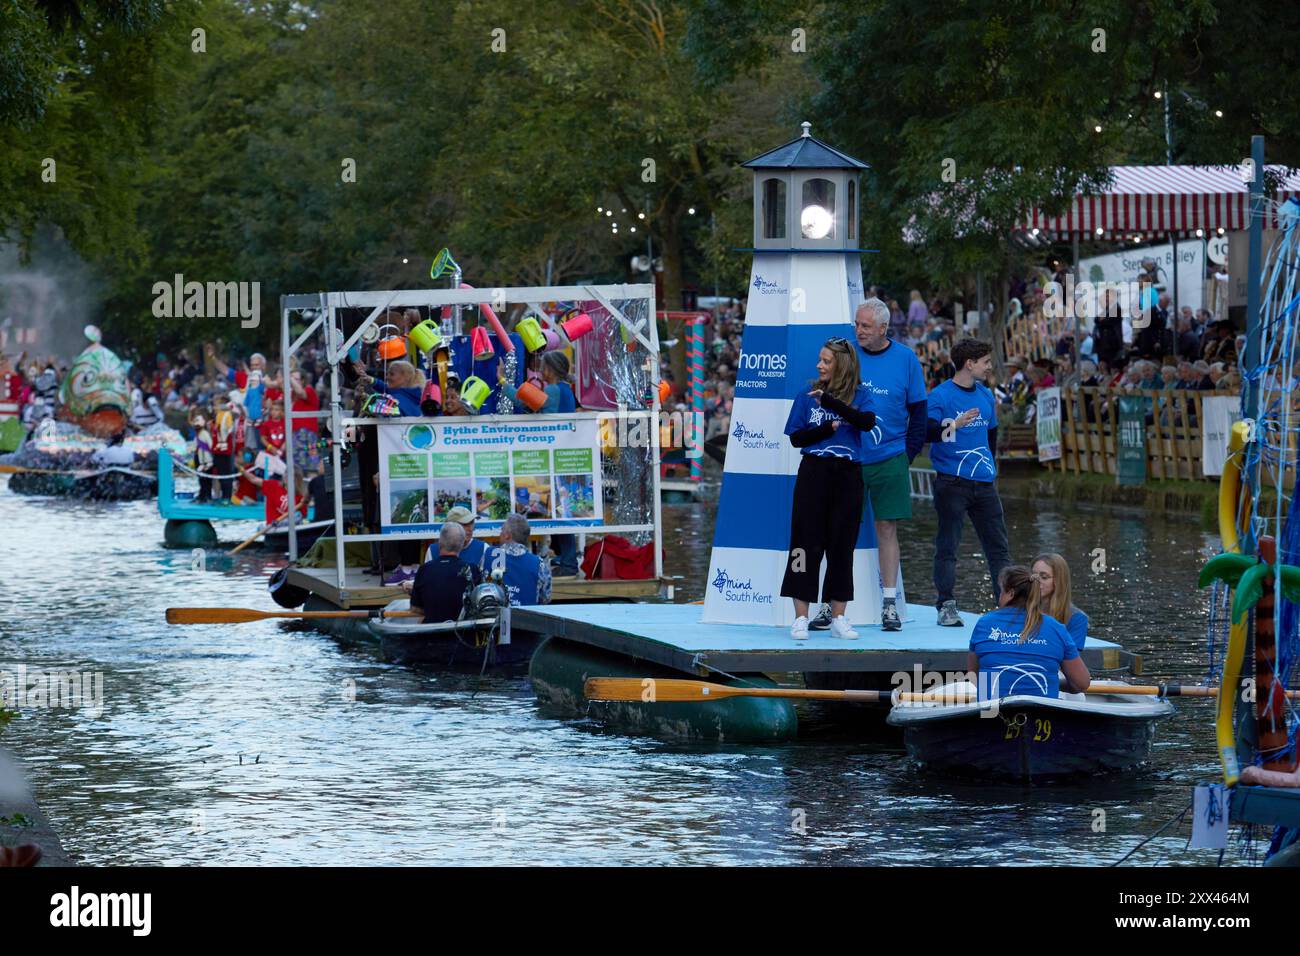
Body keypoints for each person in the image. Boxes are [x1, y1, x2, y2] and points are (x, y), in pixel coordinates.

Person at [781, 337, 877, 641]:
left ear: (842, 366)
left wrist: (832, 403)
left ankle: (838, 617)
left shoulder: (862, 395)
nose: (820, 365)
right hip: (814, 472)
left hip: (848, 475)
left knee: (842, 546)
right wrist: (824, 429)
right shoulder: (807, 395)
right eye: (820, 360)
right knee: (804, 545)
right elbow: (796, 439)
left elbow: (866, 422)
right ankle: (800, 618)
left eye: (826, 361)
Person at [852, 298, 927, 632]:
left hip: (890, 457)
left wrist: (907, 455)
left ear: (883, 328)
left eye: (865, 326)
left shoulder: (906, 359)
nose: (859, 331)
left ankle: (888, 603)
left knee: (887, 529)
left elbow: (920, 411)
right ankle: (830, 603)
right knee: (840, 529)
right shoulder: (848, 356)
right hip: (851, 458)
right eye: (857, 325)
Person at [926, 337, 1012, 626]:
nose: (989, 367)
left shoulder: (986, 395)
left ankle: (1007, 606)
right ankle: (946, 605)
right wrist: (955, 424)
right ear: (969, 364)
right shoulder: (940, 396)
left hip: (984, 484)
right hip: (952, 483)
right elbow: (926, 432)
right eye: (986, 362)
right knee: (948, 545)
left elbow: (992, 435)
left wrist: (990, 467)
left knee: (998, 548)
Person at [967, 565, 1091, 700]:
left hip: (992, 713)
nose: (1000, 596)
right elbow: (1081, 684)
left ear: (1011, 593)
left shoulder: (984, 623)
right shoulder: (1056, 628)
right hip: (1042, 715)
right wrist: (1054, 683)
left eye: (1001, 591)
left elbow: (973, 674)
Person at [408, 522, 483, 623]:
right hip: (463, 633)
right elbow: (479, 606)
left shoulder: (424, 570)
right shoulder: (472, 569)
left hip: (430, 633)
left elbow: (415, 608)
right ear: (461, 545)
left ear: (440, 542)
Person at [484, 513, 551, 606]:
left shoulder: (488, 554)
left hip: (496, 617)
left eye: (502, 530)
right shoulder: (540, 564)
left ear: (507, 535)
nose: (500, 533)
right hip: (527, 618)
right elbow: (545, 599)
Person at [1031, 553, 1088, 653]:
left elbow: (1071, 659)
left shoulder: (1077, 618)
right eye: (1034, 577)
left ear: (1059, 581)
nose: (1037, 581)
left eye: (1044, 577)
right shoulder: (1021, 610)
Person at [423, 505, 490, 569]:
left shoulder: (483, 548)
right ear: (450, 527)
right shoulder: (433, 550)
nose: (470, 528)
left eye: (471, 523)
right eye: (464, 524)